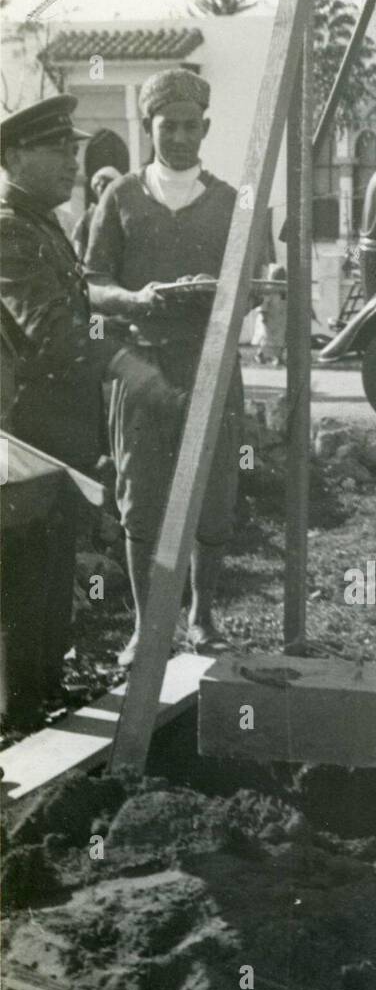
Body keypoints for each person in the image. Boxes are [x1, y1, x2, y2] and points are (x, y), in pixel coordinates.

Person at [0, 95, 182, 722]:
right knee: (24, 565)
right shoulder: (8, 227)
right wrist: (124, 360)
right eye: (57, 151)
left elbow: (75, 308)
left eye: (73, 151)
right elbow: (49, 331)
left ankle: (44, 688)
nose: (72, 164)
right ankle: (20, 708)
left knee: (54, 558)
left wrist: (127, 305)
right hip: (25, 427)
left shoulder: (40, 221)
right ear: (14, 155)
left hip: (57, 424)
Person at [84, 68, 243, 666]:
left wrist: (225, 293)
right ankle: (148, 628)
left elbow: (253, 279)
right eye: (166, 125)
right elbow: (93, 283)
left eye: (189, 126)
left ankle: (202, 619)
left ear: (205, 128)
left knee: (215, 492)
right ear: (149, 128)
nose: (178, 136)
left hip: (210, 364)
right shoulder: (121, 195)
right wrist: (136, 298)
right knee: (140, 496)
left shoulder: (230, 200)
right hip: (141, 367)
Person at [71, 164, 121, 262]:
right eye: (98, 184)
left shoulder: (123, 214)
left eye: (107, 184)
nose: (101, 187)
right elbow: (79, 244)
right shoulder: (88, 216)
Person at [253, 264, 287, 366]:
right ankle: (260, 355)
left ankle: (278, 357)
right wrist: (264, 316)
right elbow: (263, 305)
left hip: (280, 319)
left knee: (280, 339)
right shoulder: (269, 290)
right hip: (269, 318)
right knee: (266, 338)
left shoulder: (284, 290)